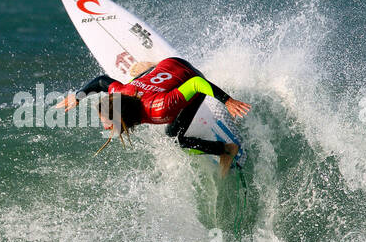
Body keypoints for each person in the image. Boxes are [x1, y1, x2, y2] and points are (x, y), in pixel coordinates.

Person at [55, 57, 251, 177]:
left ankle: (225, 150)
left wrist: (227, 100)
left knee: (176, 137)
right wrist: (78, 96)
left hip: (188, 73)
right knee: (134, 83)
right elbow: (100, 81)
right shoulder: (121, 91)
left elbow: (196, 83)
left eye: (108, 123)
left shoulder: (160, 109)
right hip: (166, 66)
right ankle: (150, 67)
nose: (106, 127)